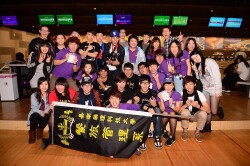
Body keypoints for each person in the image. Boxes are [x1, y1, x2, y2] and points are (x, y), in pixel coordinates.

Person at [190, 50, 224, 132]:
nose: (196, 59)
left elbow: (217, 76)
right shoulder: (199, 66)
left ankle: (219, 109)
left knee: (214, 111)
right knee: (206, 109)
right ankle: (207, 126)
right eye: (193, 59)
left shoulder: (210, 62)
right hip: (205, 89)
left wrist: (218, 90)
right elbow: (200, 79)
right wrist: (196, 71)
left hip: (214, 89)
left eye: (196, 56)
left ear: (200, 54)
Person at [42, 77, 77, 149]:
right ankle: (51, 137)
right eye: (57, 85)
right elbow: (53, 106)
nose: (59, 87)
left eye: (61, 85)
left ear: (66, 85)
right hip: (58, 113)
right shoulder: (53, 93)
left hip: (71, 113)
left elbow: (76, 104)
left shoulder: (71, 91)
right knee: (51, 118)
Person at [134, 74, 163, 150]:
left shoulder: (153, 92)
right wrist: (147, 109)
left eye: (147, 83)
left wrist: (155, 105)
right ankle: (142, 138)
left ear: (149, 84)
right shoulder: (135, 93)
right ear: (139, 84)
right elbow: (136, 106)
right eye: (143, 83)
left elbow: (156, 105)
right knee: (140, 111)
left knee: (157, 110)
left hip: (152, 114)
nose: (145, 85)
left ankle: (157, 136)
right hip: (143, 114)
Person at [179, 76, 210, 142]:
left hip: (196, 115)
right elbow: (178, 111)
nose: (188, 86)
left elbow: (209, 110)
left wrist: (198, 106)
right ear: (184, 86)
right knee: (185, 111)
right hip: (185, 116)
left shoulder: (200, 94)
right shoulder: (181, 94)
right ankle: (185, 132)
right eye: (186, 84)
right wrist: (185, 105)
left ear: (194, 84)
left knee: (203, 113)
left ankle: (197, 132)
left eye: (191, 84)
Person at [157, 78, 182, 146]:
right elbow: (162, 109)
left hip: (173, 111)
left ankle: (172, 136)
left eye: (170, 85)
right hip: (164, 112)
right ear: (163, 86)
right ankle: (164, 130)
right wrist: (161, 99)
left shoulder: (177, 94)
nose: (168, 87)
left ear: (173, 86)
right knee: (164, 113)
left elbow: (178, 109)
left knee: (172, 113)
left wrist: (171, 105)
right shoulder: (160, 94)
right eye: (166, 85)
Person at [27, 77, 50, 144]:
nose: (44, 86)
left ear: (48, 85)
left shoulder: (50, 94)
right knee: (35, 115)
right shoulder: (34, 95)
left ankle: (39, 131)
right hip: (36, 113)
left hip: (44, 113)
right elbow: (33, 107)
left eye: (46, 84)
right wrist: (40, 112)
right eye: (41, 84)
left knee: (46, 116)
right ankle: (32, 135)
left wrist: (46, 111)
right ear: (38, 86)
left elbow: (50, 105)